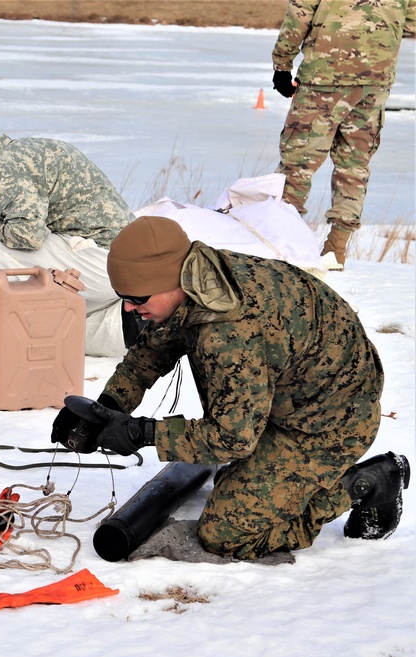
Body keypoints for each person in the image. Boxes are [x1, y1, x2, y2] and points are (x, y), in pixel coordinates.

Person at [51, 215, 409, 560]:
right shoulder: (199, 277)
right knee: (230, 476)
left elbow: (233, 438)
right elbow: (151, 353)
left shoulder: (229, 331)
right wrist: (106, 408)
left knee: (225, 533)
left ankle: (364, 482)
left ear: (171, 282)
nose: (129, 307)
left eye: (138, 298)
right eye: (123, 296)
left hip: (329, 424)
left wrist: (141, 433)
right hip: (283, 400)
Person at [0, 109, 139, 358]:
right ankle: (120, 328)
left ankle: (37, 331)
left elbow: (27, 234)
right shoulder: (20, 153)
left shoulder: (6, 168)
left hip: (109, 267)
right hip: (124, 266)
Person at [271, 0, 415, 268]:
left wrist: (282, 65)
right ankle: (336, 248)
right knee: (354, 165)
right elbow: (412, 20)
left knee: (298, 161)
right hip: (374, 79)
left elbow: (299, 15)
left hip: (324, 76)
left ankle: (283, 243)